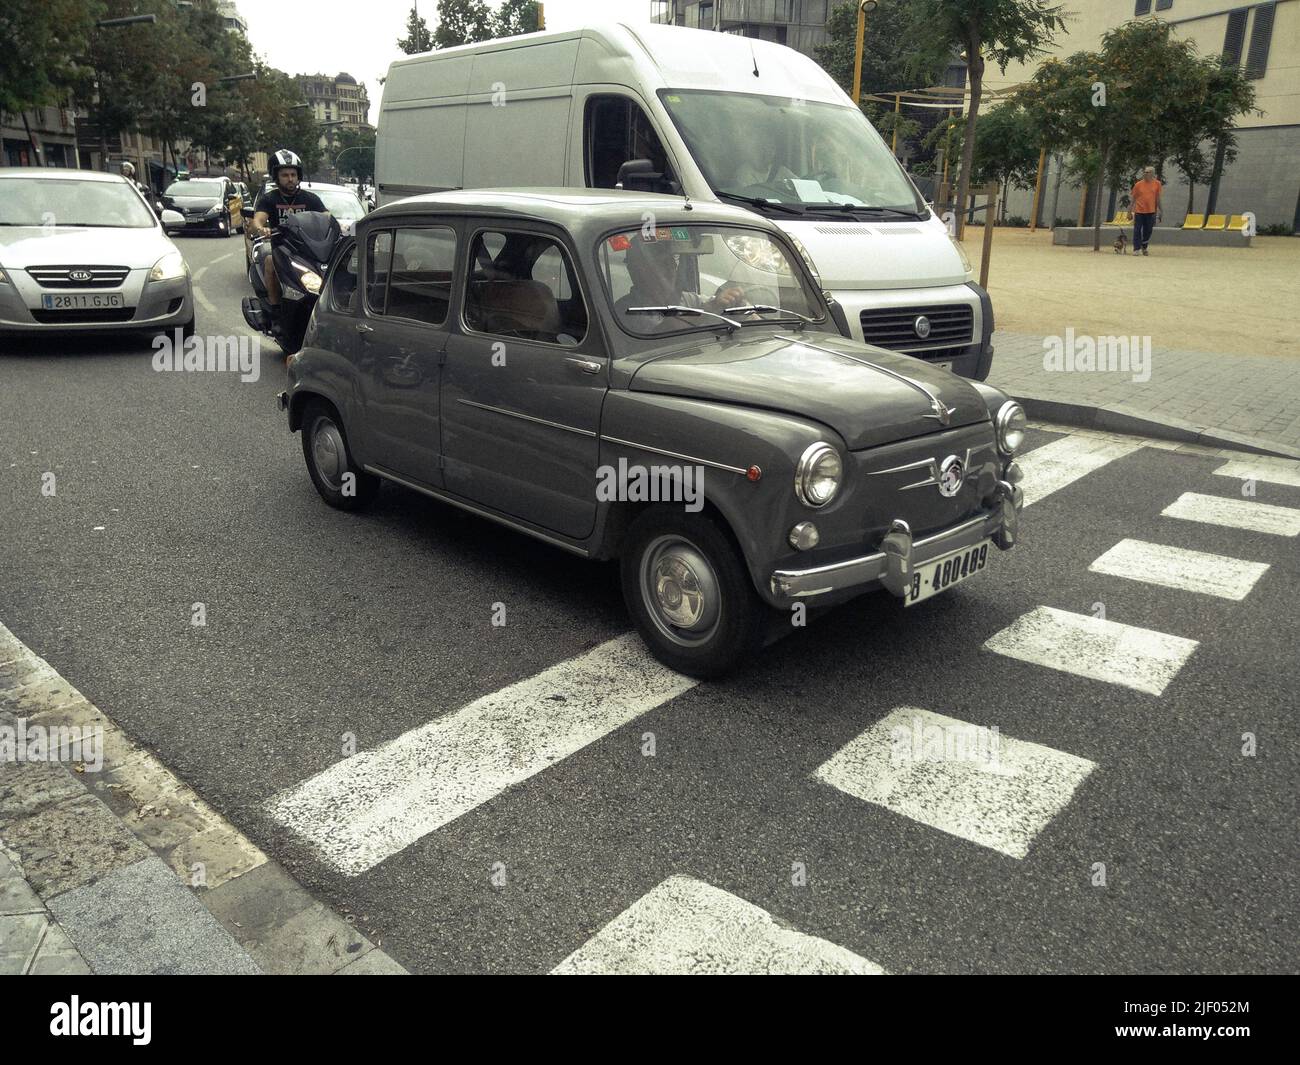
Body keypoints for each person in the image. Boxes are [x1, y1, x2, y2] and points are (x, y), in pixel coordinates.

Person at [250, 149, 327, 334]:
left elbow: (326, 216)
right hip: (281, 249)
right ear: (276, 177)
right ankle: (276, 312)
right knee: (269, 261)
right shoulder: (270, 199)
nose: (290, 178)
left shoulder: (310, 199)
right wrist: (262, 228)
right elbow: (257, 220)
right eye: (285, 175)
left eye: (293, 174)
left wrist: (337, 225)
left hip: (307, 251)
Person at [1130, 165, 1163, 257]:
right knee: (1137, 230)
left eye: (1147, 172)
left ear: (1152, 174)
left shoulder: (1157, 184)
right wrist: (1129, 211)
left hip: (1151, 211)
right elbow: (1133, 199)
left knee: (1148, 231)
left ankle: (1144, 246)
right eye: (1144, 172)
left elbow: (1158, 199)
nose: (1145, 173)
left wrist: (1161, 211)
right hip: (1139, 211)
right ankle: (1136, 249)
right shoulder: (1138, 185)